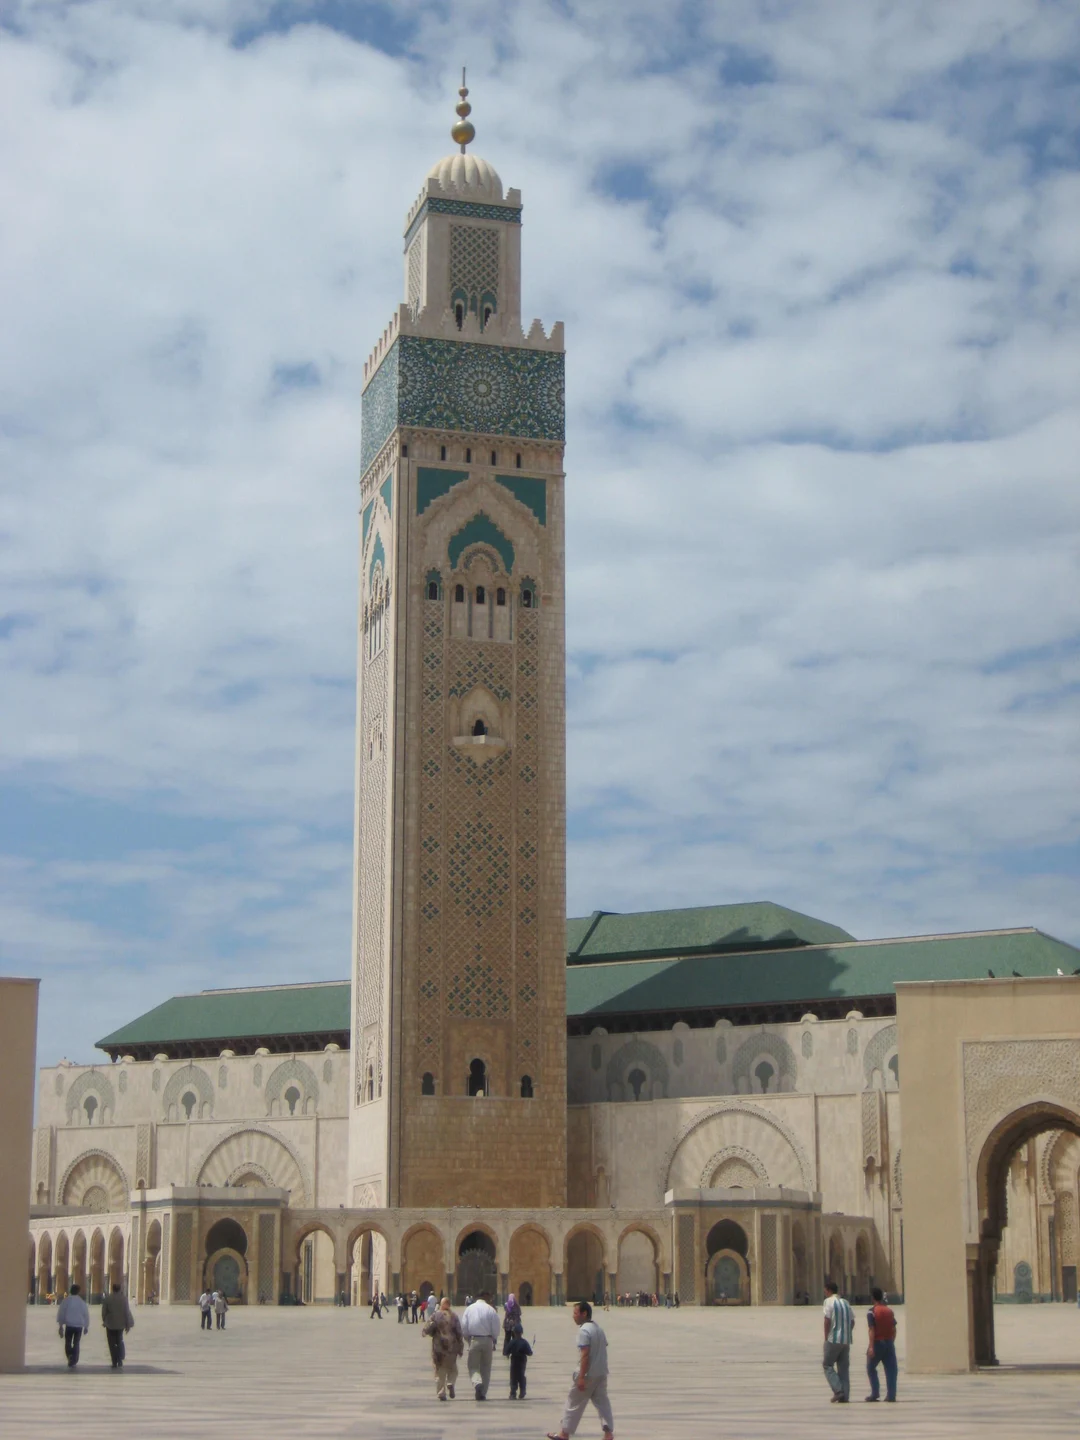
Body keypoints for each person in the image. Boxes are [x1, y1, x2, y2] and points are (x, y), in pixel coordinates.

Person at [547, 1299, 615, 1440]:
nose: (573, 1316)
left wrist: (582, 1377)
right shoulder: (598, 1329)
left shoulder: (584, 1330)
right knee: (603, 1403)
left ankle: (564, 1433)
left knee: (573, 1403)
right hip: (601, 1373)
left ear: (584, 1314)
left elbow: (585, 1354)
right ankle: (608, 1433)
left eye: (575, 1313)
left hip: (588, 1374)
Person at [423, 1295, 464, 1401]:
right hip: (452, 1348)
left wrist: (427, 1332)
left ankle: (441, 1392)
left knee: (439, 1371)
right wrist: (460, 1348)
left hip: (438, 1349)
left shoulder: (435, 1315)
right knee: (453, 1369)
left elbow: (426, 1329)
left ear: (441, 1305)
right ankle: (450, 1382)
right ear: (449, 1305)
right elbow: (459, 1333)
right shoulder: (454, 1316)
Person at [461, 1289, 500, 1401]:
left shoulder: (469, 1309)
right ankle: (482, 1393)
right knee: (486, 1368)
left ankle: (477, 1383)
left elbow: (464, 1326)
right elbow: (496, 1328)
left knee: (473, 1366)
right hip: (488, 1340)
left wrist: (467, 1339)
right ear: (486, 1297)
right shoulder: (491, 1310)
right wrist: (493, 1338)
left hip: (474, 1340)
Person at [822, 1280, 855, 1403]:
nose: (825, 1293)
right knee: (843, 1369)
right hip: (846, 1341)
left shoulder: (828, 1301)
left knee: (827, 1365)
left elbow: (827, 1320)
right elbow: (852, 1321)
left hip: (833, 1339)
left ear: (829, 1290)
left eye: (825, 1290)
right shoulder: (845, 1302)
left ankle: (838, 1390)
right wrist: (846, 1332)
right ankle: (845, 1396)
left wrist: (826, 1337)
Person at [865, 1287, 898, 1402]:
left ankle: (875, 1393)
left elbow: (872, 1329)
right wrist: (891, 1342)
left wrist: (871, 1347)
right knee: (891, 1370)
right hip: (889, 1342)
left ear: (873, 1298)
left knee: (870, 1367)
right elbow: (894, 1329)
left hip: (877, 1343)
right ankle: (891, 1395)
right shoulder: (889, 1311)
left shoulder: (872, 1312)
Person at [56, 1283, 90, 1369]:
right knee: (76, 1343)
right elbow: (86, 1314)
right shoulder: (81, 1302)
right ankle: (74, 1359)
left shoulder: (66, 1301)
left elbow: (61, 1313)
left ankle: (70, 1355)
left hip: (69, 1325)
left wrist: (60, 1326)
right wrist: (86, 1326)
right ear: (78, 1291)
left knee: (68, 1342)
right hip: (79, 1326)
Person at [100, 1283, 134, 1369]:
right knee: (119, 1341)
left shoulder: (108, 1298)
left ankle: (114, 1361)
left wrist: (105, 1320)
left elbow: (104, 1312)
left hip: (110, 1324)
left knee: (111, 1343)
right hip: (120, 1324)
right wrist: (127, 1325)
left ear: (112, 1289)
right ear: (120, 1289)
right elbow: (126, 1312)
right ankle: (120, 1359)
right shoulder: (124, 1299)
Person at [507, 1322, 533, 1400]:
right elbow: (530, 1353)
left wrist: (508, 1353)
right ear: (522, 1333)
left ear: (514, 1332)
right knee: (521, 1376)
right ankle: (522, 1391)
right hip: (522, 1361)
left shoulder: (512, 1342)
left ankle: (513, 1393)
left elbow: (506, 1351)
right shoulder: (524, 1342)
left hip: (514, 1361)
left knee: (513, 1377)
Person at [502, 1292, 520, 1356]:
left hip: (507, 1324)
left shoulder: (506, 1305)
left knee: (507, 1338)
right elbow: (519, 1313)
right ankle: (515, 1351)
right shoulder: (516, 1305)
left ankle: (506, 1352)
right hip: (514, 1324)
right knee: (515, 1338)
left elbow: (506, 1312)